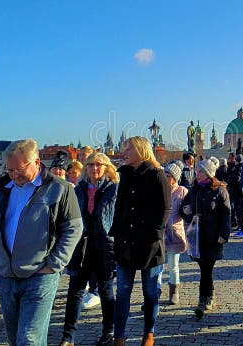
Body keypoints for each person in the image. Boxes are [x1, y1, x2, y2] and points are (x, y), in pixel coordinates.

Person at [0, 139, 83, 346]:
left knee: (29, 339)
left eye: (19, 170)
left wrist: (54, 263)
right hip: (5, 274)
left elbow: (74, 228)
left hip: (40, 274)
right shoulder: (1, 188)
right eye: (9, 170)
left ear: (36, 163)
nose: (14, 175)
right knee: (15, 338)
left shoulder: (59, 188)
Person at [110, 137, 171, 346]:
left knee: (150, 293)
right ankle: (119, 336)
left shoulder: (157, 174)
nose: (124, 152)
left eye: (128, 149)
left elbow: (165, 209)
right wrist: (117, 232)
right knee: (122, 292)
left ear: (140, 151)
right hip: (126, 242)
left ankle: (148, 333)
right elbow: (119, 207)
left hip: (149, 245)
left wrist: (155, 235)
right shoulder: (125, 175)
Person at [59, 153, 119, 346]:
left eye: (99, 164)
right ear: (86, 168)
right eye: (91, 165)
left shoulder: (114, 189)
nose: (95, 168)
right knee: (75, 291)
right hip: (82, 246)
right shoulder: (79, 189)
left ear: (106, 167)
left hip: (104, 246)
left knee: (106, 291)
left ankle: (109, 331)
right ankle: (68, 336)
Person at [181, 157, 231, 319]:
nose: (198, 174)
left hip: (213, 236)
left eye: (201, 171)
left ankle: (203, 300)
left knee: (207, 268)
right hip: (198, 236)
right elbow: (183, 208)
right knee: (204, 268)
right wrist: (186, 211)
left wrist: (224, 234)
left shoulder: (220, 190)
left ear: (209, 174)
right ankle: (209, 294)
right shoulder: (193, 190)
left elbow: (226, 214)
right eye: (197, 171)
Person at [163, 162, 188, 305]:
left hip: (175, 233)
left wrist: (187, 210)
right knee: (157, 266)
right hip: (160, 232)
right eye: (165, 175)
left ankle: (174, 290)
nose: (166, 178)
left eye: (168, 175)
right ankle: (156, 290)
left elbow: (187, 209)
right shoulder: (159, 190)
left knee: (173, 264)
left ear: (175, 178)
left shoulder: (182, 191)